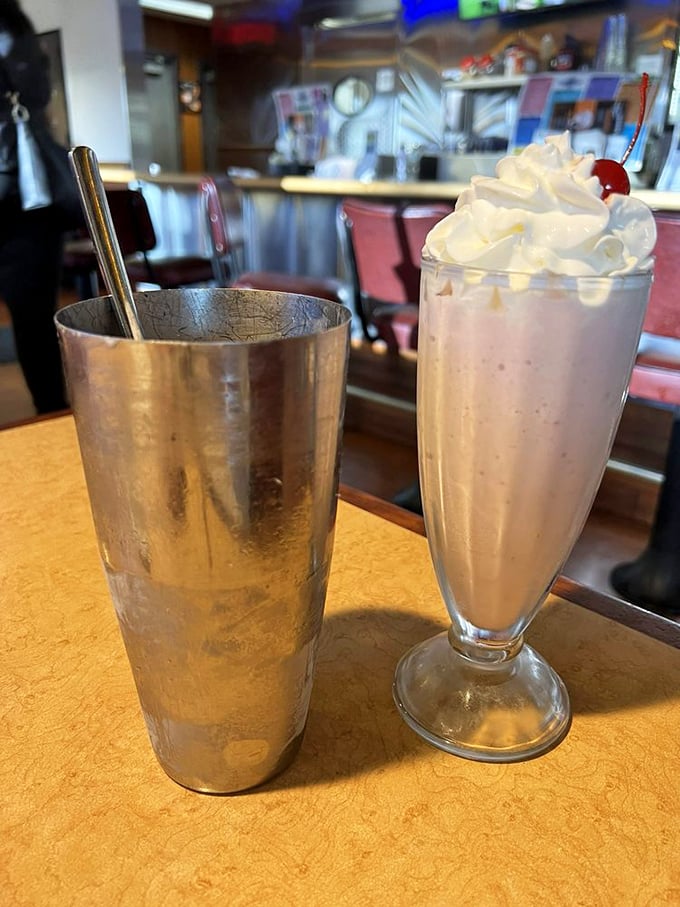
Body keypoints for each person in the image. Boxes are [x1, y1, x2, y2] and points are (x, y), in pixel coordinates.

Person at [0, 0, 68, 414]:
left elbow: (34, 93)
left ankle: (51, 413)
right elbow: (37, 93)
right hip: (25, 204)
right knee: (34, 322)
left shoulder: (12, 33)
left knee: (34, 322)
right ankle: (51, 413)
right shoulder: (15, 33)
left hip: (23, 202)